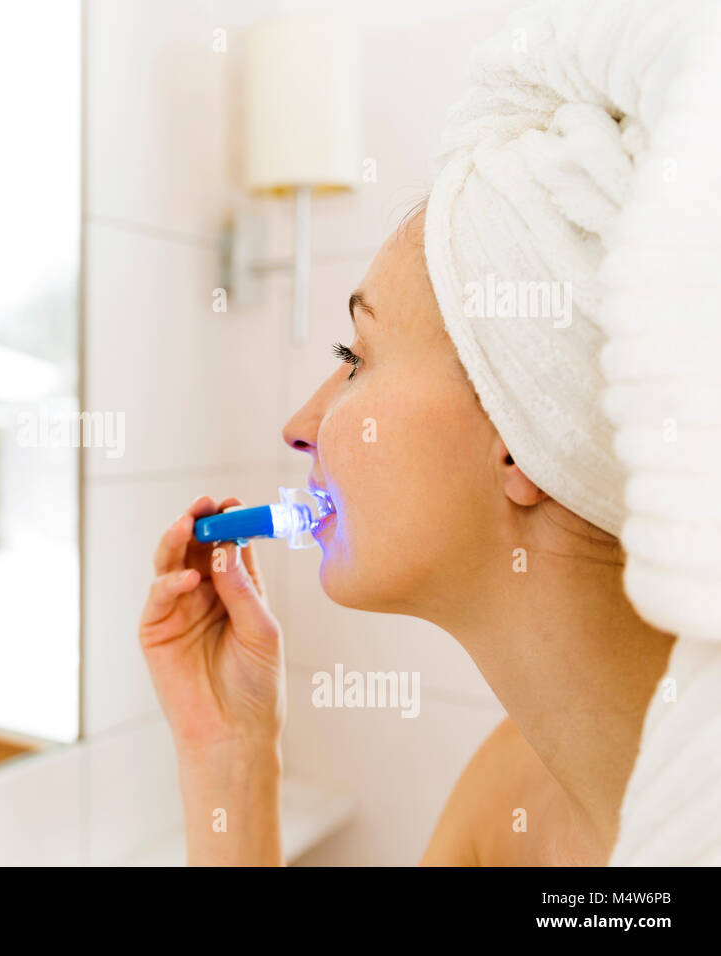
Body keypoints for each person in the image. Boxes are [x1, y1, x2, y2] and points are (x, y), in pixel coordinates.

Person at [138, 0, 720, 866]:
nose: (300, 427)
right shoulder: (511, 793)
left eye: (356, 355)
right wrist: (229, 754)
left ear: (526, 435)